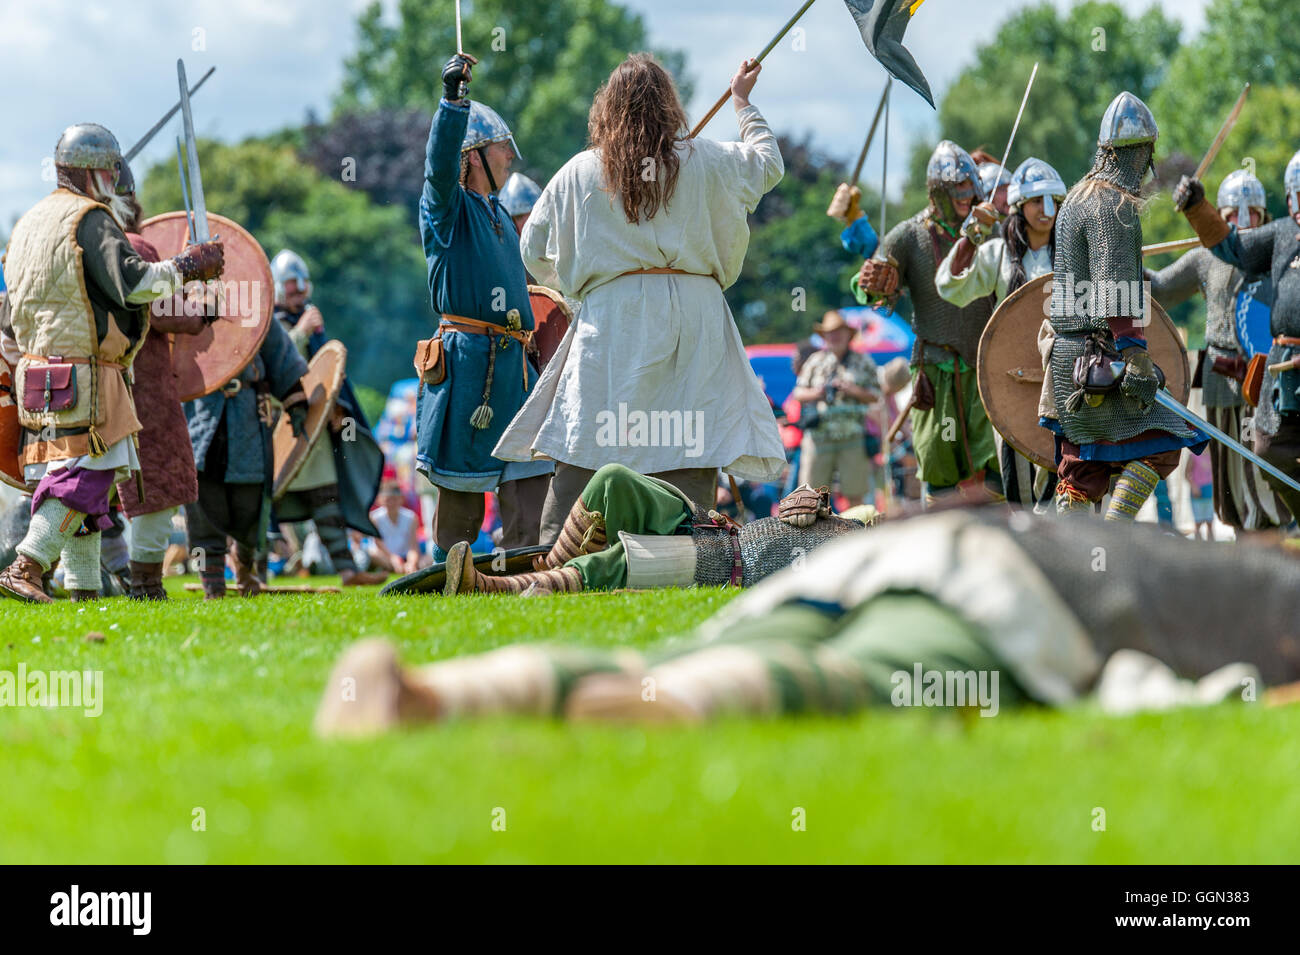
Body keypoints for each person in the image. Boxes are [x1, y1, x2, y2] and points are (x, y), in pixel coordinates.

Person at [315, 507, 1300, 735]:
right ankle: (671, 713)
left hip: (882, 555)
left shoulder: (1233, 567)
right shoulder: (1269, 601)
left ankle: (432, 693)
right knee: (860, 681)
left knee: (673, 646)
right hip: (1015, 599)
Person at [493, 53, 787, 544]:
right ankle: (691, 548)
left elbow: (532, 248)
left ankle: (561, 553)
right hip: (694, 316)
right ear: (670, 107)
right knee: (685, 437)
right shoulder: (708, 159)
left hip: (611, 318)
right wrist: (741, 102)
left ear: (607, 110)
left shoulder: (580, 170)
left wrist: (573, 289)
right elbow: (768, 163)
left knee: (593, 435)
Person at [0, 124, 223, 603]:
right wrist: (190, 266)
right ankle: (27, 565)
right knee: (89, 474)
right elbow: (135, 284)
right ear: (94, 172)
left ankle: (83, 593)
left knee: (87, 490)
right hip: (84, 374)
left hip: (37, 376)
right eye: (109, 168)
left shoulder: (29, 222)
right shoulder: (90, 218)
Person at [416, 51, 553, 562]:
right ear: (473, 154)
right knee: (461, 505)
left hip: (516, 368)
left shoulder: (499, 213)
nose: (510, 158)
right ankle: (449, 577)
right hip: (470, 366)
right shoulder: (446, 210)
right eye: (502, 149)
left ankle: (528, 574)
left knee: (530, 481)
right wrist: (453, 102)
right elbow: (437, 169)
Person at [1046, 92, 1206, 518]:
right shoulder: (1115, 203)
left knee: (1084, 466)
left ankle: (1073, 549)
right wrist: (1134, 354)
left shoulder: (1077, 198)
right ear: (1141, 152)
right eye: (1146, 154)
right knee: (1167, 441)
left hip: (1067, 360)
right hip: (1102, 356)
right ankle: (1114, 535)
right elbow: (1113, 288)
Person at [433, 463, 866, 596]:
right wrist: (814, 496)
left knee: (621, 560)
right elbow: (863, 512)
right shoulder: (874, 528)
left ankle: (490, 588)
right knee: (612, 479)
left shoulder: (879, 568)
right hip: (719, 530)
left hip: (732, 565)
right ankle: (549, 564)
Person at [854, 140, 1000, 499]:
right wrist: (869, 286)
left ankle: (997, 533)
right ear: (939, 193)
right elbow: (867, 287)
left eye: (971, 191)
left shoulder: (990, 229)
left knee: (994, 457)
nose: (967, 200)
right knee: (937, 458)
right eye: (959, 193)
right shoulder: (908, 236)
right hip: (934, 368)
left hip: (985, 363)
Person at [1163, 164, 1295, 527]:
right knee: (1233, 484)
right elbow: (1160, 289)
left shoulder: (1277, 249)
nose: (1242, 218)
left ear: (1264, 213)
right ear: (1216, 217)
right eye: (1231, 213)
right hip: (1222, 381)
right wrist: (1124, 272)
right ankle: (1246, 546)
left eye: (1250, 211)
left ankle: (1272, 545)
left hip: (1268, 379)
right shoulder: (1204, 259)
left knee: (1268, 469)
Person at [936, 156, 1067, 508]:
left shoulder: (1073, 252)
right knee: (1017, 475)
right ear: (1020, 205)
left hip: (1062, 375)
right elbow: (951, 287)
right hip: (1011, 376)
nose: (1047, 209)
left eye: (1053, 200)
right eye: (1038, 200)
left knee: (1061, 469)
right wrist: (969, 239)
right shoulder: (997, 253)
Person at [110, 165, 213, 600]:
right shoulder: (133, 246)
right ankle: (146, 584)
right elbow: (164, 313)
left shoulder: (83, 246)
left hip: (96, 383)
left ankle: (94, 583)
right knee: (156, 484)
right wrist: (204, 308)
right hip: (142, 387)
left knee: (90, 487)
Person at [268, 249, 387, 586]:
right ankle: (253, 571)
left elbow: (323, 374)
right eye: (292, 283)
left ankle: (348, 570)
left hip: (313, 428)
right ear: (278, 286)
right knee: (264, 501)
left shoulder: (309, 323)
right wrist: (302, 331)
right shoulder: (272, 324)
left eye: (303, 283)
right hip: (279, 426)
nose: (299, 289)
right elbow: (276, 362)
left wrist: (336, 408)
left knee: (327, 498)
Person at [185, 318, 309, 598]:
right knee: (203, 503)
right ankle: (213, 584)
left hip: (249, 416)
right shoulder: (185, 304)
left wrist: (295, 401)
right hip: (201, 413)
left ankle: (246, 569)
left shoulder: (256, 306)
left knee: (249, 502)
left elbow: (280, 354)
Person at [789, 311, 880, 503]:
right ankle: (814, 534)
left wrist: (852, 390)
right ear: (824, 336)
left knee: (856, 494)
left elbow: (875, 395)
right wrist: (819, 392)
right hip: (818, 438)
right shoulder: (815, 361)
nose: (835, 336)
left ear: (849, 334)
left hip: (852, 437)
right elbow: (798, 393)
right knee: (810, 497)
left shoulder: (863, 361)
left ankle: (856, 531)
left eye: (839, 331)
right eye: (830, 332)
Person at [368, 482, 423, 574]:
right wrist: (393, 558)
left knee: (426, 560)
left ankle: (400, 568)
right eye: (388, 499)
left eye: (394, 499)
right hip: (383, 556)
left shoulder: (411, 517)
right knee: (372, 554)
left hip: (405, 556)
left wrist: (411, 563)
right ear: (379, 500)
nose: (391, 503)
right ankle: (395, 567)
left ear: (401, 499)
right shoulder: (374, 518)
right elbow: (378, 544)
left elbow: (413, 547)